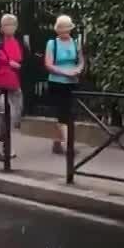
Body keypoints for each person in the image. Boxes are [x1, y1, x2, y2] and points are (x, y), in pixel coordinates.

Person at [42, 14, 85, 154]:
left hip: (72, 82)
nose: (65, 32)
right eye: (63, 29)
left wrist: (78, 69)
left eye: (68, 29)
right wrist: (65, 73)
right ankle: (68, 145)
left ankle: (57, 142)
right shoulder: (52, 44)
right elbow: (48, 65)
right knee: (62, 113)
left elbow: (81, 60)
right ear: (58, 29)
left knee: (69, 113)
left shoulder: (75, 43)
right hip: (57, 82)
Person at [0, 13, 24, 135]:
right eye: (6, 24)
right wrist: (10, 62)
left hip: (13, 82)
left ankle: (4, 136)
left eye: (12, 24)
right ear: (1, 27)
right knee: (5, 110)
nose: (9, 27)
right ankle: (7, 144)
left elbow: (20, 60)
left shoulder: (18, 43)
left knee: (16, 111)